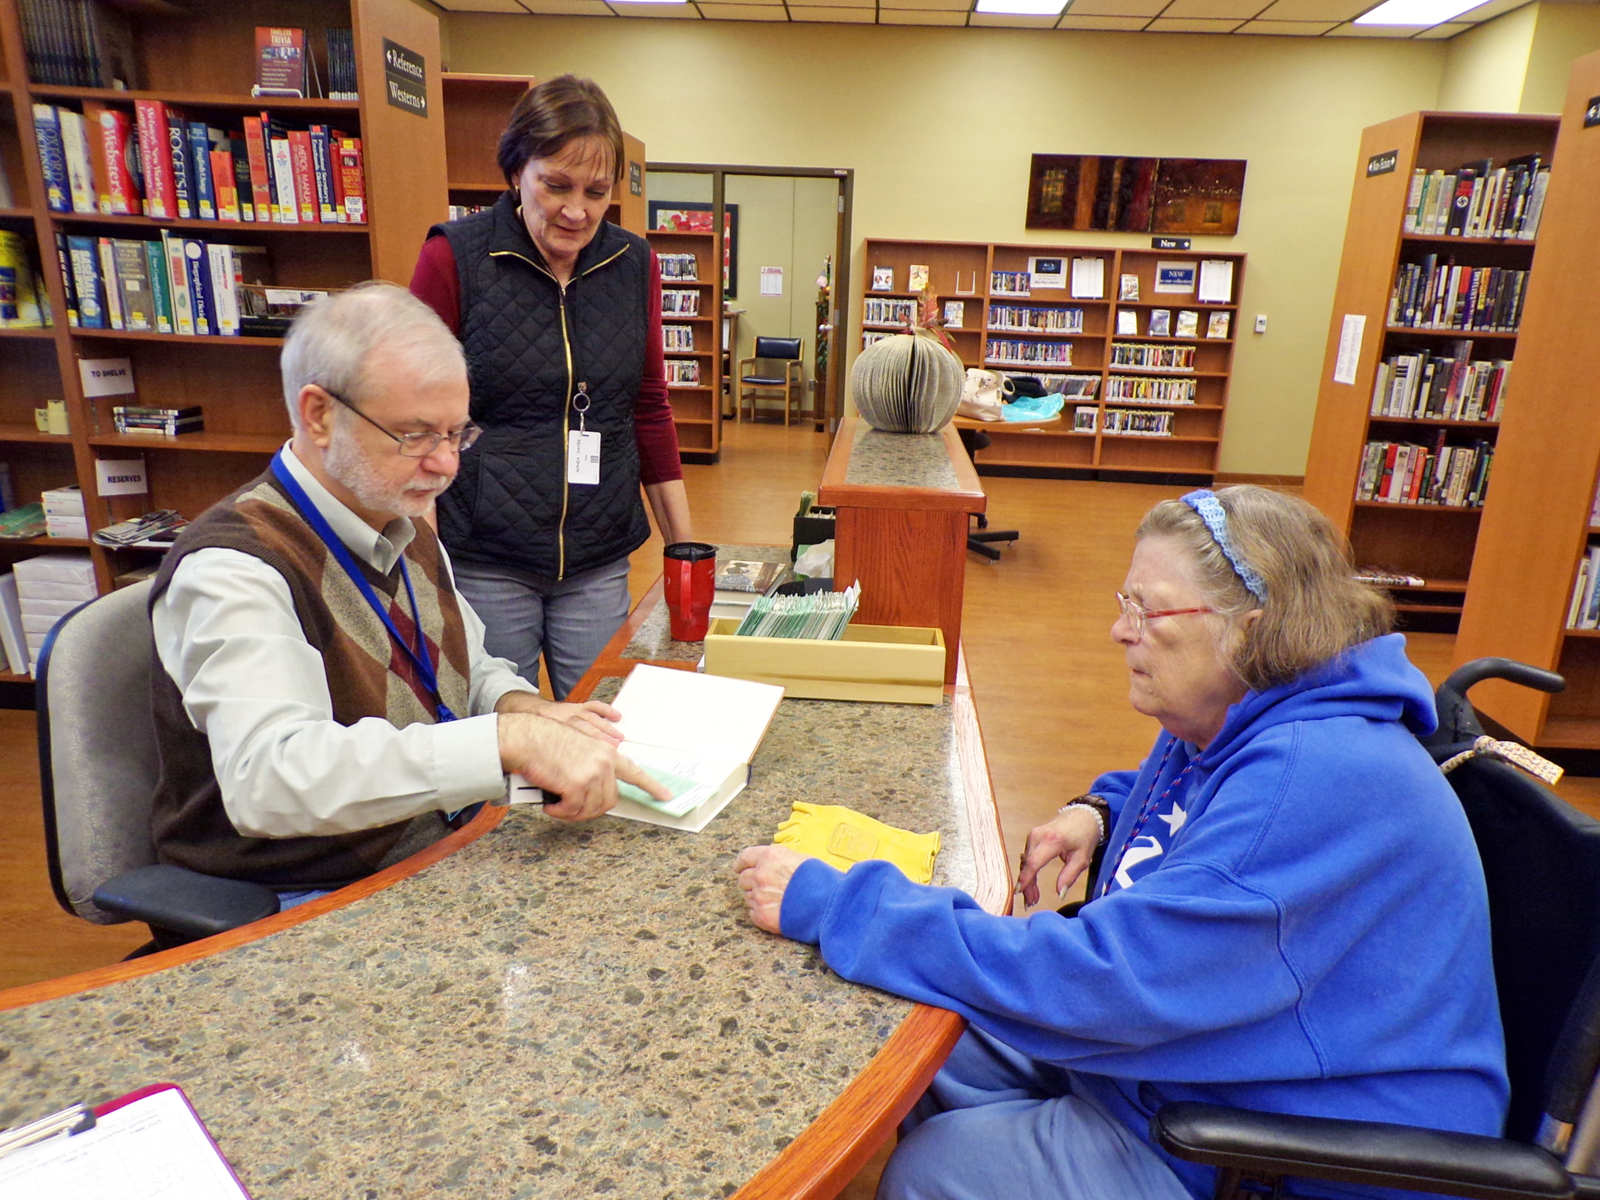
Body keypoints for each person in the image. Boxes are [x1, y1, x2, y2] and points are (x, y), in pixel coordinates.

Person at [733, 485, 1508, 1200]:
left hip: (1301, 1143)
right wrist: (1105, 810)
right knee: (919, 1038)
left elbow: (1106, 982)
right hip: (1217, 1052)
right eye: (1124, 600)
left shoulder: (1317, 780)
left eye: (1148, 610)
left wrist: (840, 903)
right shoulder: (1246, 707)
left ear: (1251, 628)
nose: (1119, 629)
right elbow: (1199, 808)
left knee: (938, 1170)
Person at [149, 282, 669, 903]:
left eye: (457, 434)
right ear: (319, 415)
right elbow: (270, 778)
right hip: (309, 887)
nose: (447, 464)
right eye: (416, 435)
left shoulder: (395, 514)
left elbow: (466, 668)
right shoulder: (234, 568)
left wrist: (520, 708)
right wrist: (505, 741)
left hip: (431, 838)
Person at [410, 74, 692, 700]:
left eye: (596, 192)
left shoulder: (633, 263)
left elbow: (648, 406)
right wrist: (425, 566)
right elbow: (416, 420)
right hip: (486, 552)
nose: (577, 210)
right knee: (500, 734)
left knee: (600, 726)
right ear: (517, 171)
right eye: (555, 185)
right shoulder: (453, 258)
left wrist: (686, 553)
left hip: (596, 552)